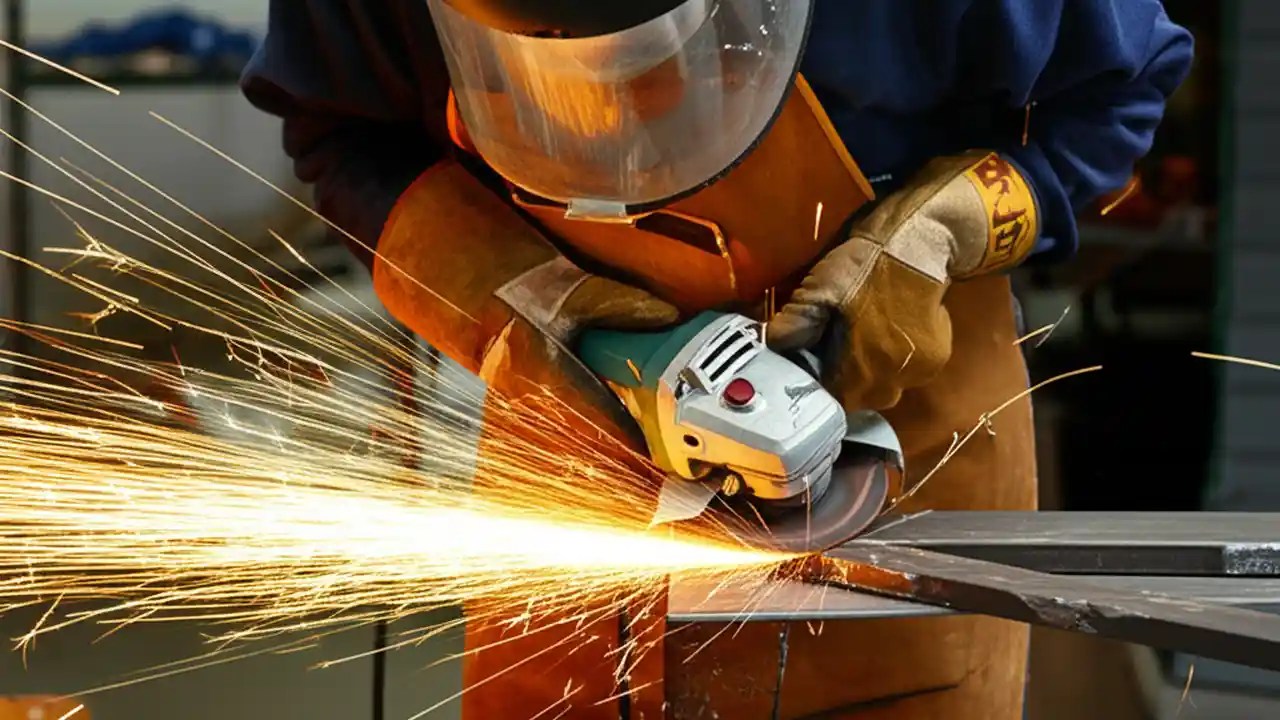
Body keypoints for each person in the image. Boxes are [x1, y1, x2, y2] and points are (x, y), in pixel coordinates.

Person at [241, 2, 1193, 717]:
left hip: (902, 409)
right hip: (569, 422)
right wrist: (523, 300)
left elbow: (1122, 87)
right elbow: (340, 132)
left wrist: (948, 227)